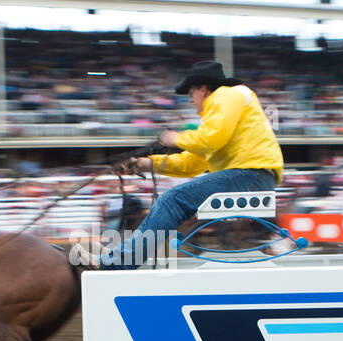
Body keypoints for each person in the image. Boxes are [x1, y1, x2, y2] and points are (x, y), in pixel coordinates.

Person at [98, 61, 283, 269]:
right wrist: (146, 164)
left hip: (249, 175)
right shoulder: (221, 114)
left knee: (172, 200)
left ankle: (118, 263)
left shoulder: (226, 95)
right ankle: (123, 260)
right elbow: (192, 163)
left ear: (203, 90)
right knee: (174, 200)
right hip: (250, 177)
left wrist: (175, 138)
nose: (192, 101)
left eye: (191, 95)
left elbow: (210, 139)